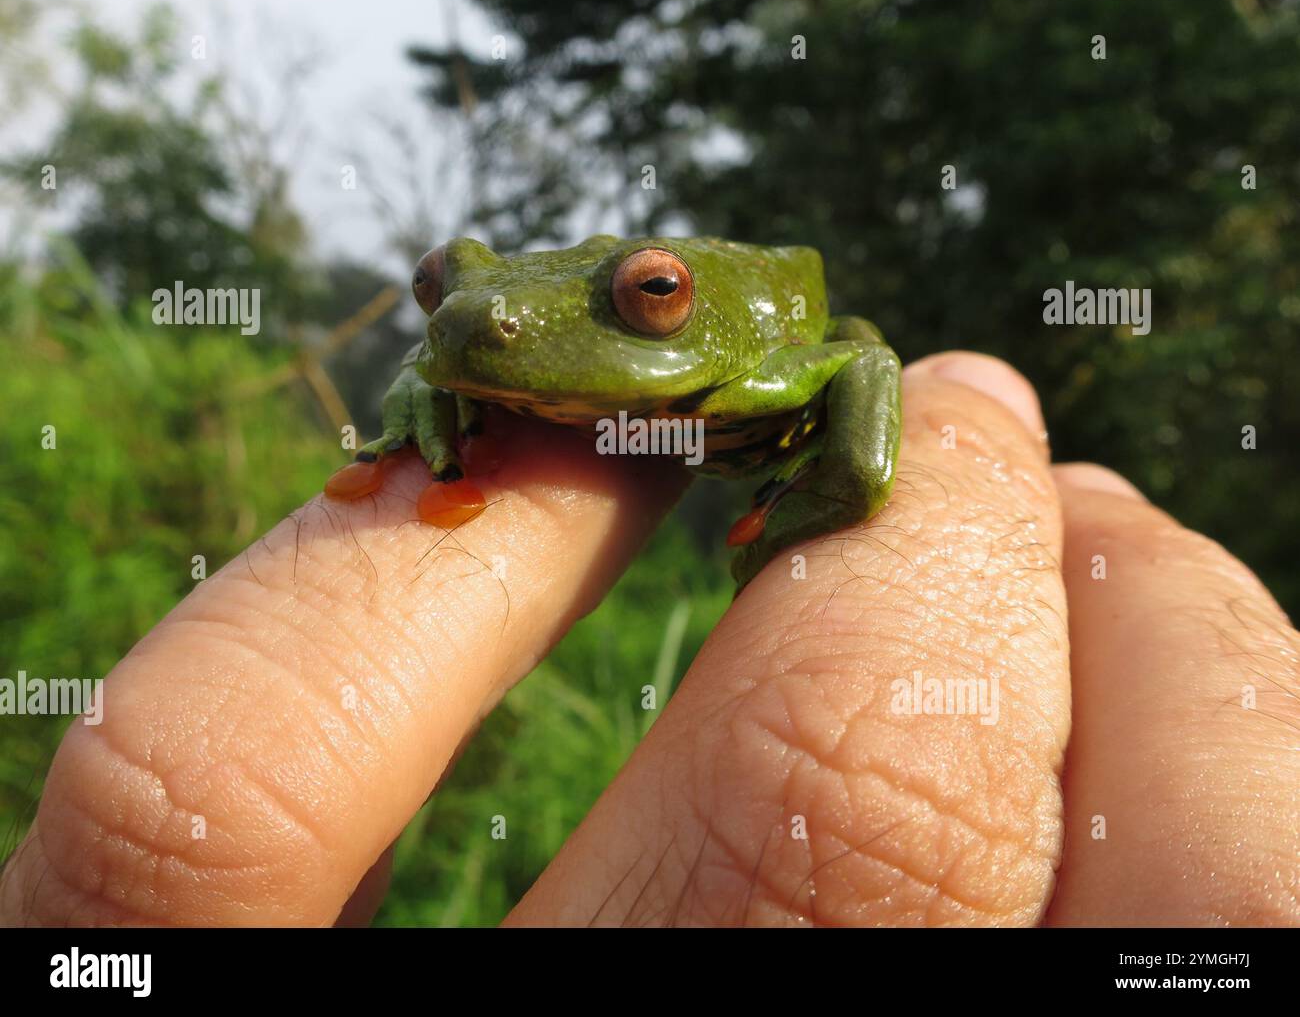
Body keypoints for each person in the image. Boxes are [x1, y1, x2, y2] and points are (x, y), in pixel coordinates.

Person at [3, 352, 1296, 927]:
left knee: (875, 812)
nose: (497, 333)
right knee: (165, 830)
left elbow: (854, 361)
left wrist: (834, 488)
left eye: (650, 301)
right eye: (446, 295)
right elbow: (461, 342)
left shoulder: (799, 352)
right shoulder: (481, 345)